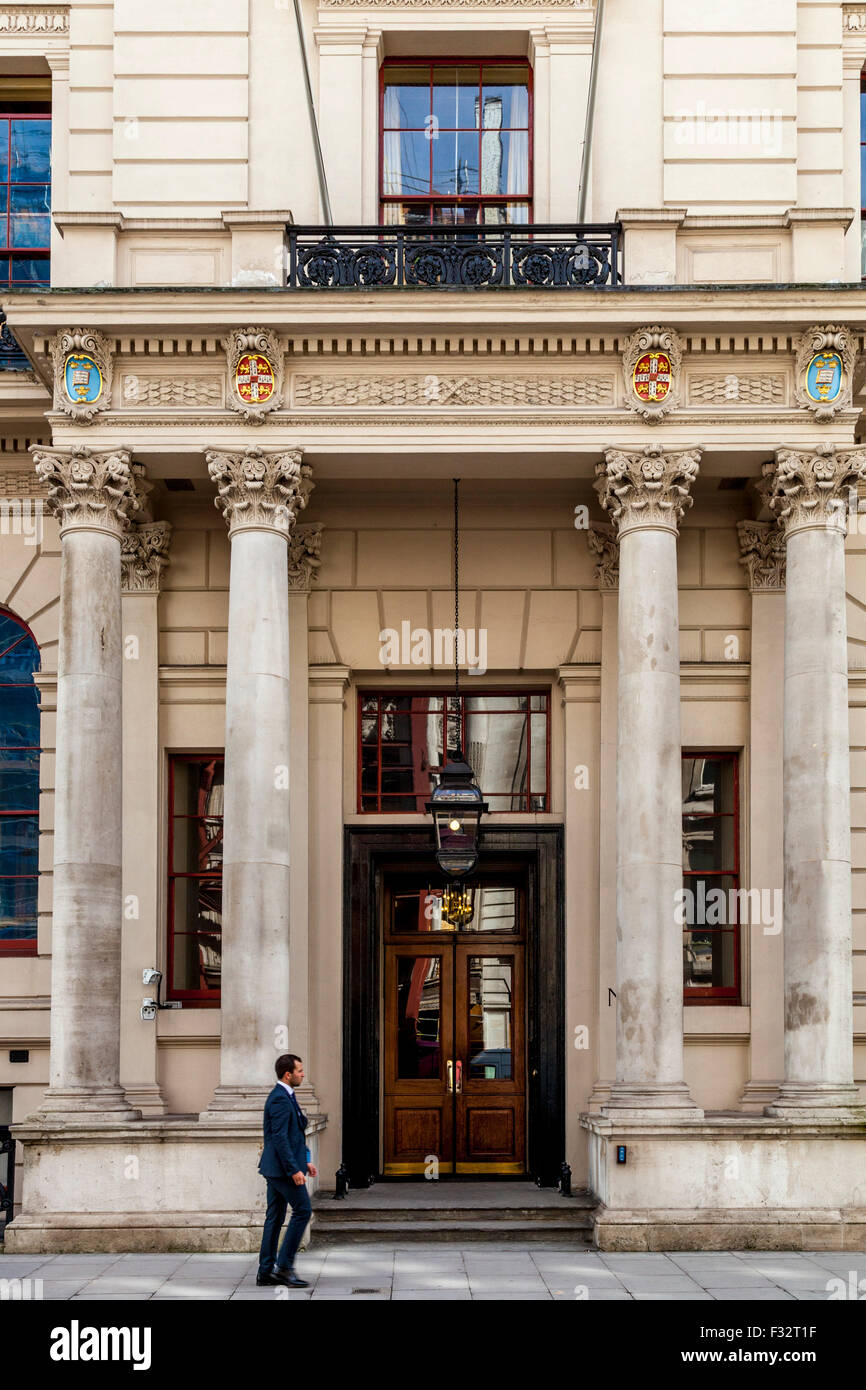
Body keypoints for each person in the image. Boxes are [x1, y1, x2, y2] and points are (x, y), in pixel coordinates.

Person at [256, 1053, 318, 1288]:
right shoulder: (280, 1099)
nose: (303, 1074)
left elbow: (293, 1135)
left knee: (275, 1217)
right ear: (287, 1074)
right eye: (299, 1071)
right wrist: (294, 1169)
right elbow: (280, 1139)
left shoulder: (287, 1096)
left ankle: (265, 1271)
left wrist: (305, 1161)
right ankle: (283, 1267)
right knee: (303, 1210)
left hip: (277, 1168)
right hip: (282, 1170)